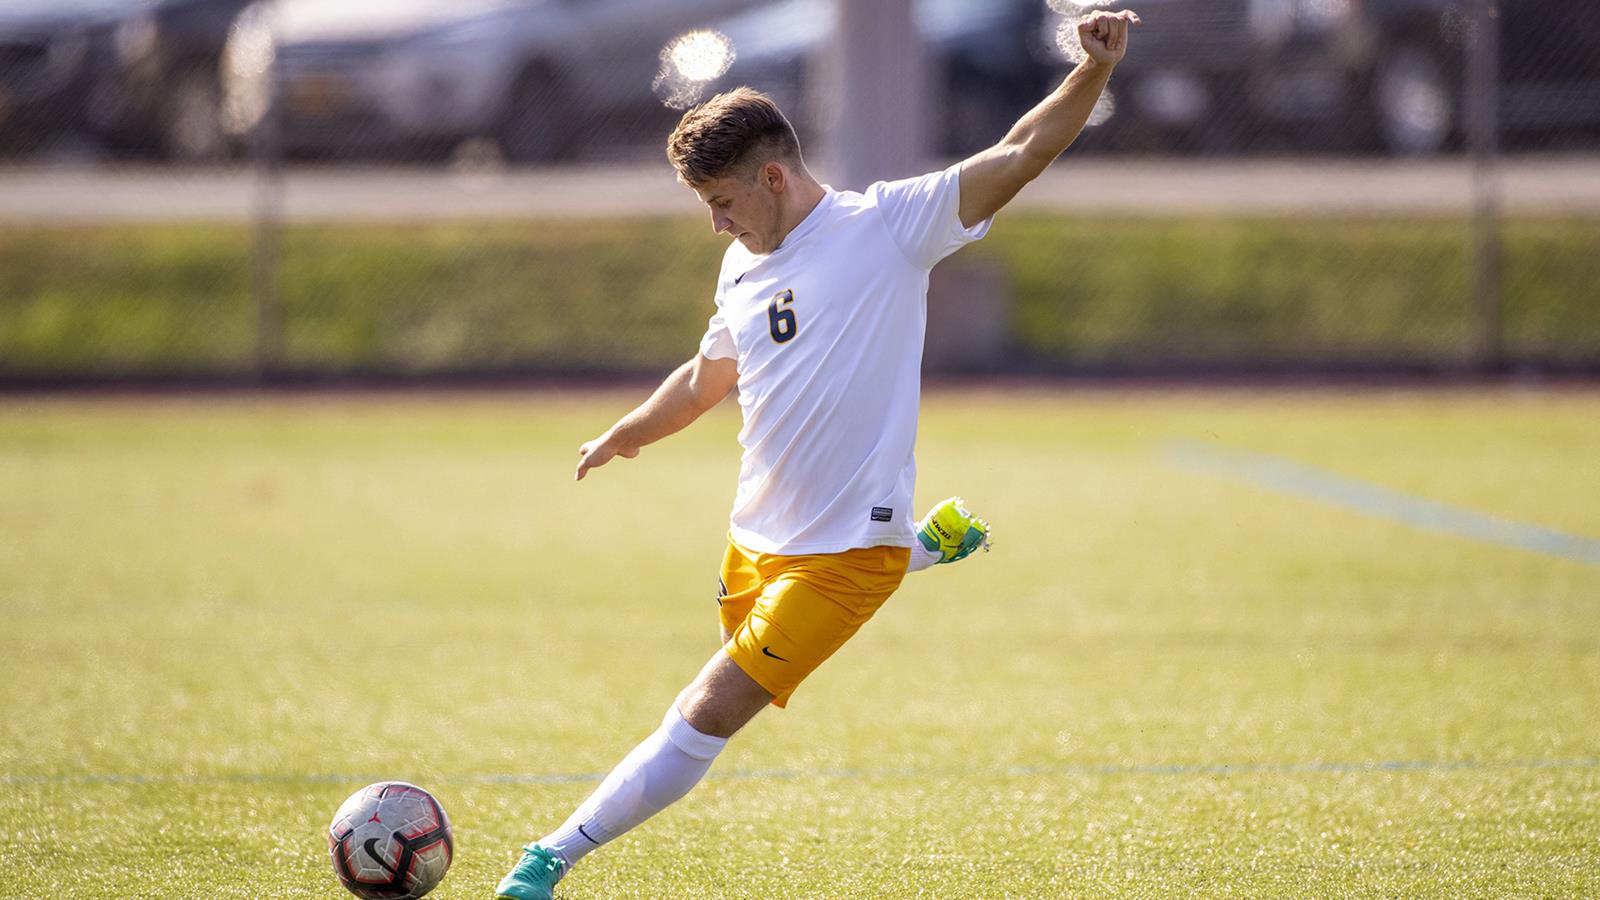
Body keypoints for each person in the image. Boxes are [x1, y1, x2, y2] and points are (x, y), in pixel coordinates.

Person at [495, 9, 1139, 897]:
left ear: (771, 176)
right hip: (755, 543)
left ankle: (549, 858)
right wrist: (626, 435)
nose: (717, 226)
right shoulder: (741, 265)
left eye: (722, 203)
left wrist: (1091, 73)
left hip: (839, 564)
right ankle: (924, 541)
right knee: (736, 664)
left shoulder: (891, 227)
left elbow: (1022, 150)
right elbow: (703, 376)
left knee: (706, 713)